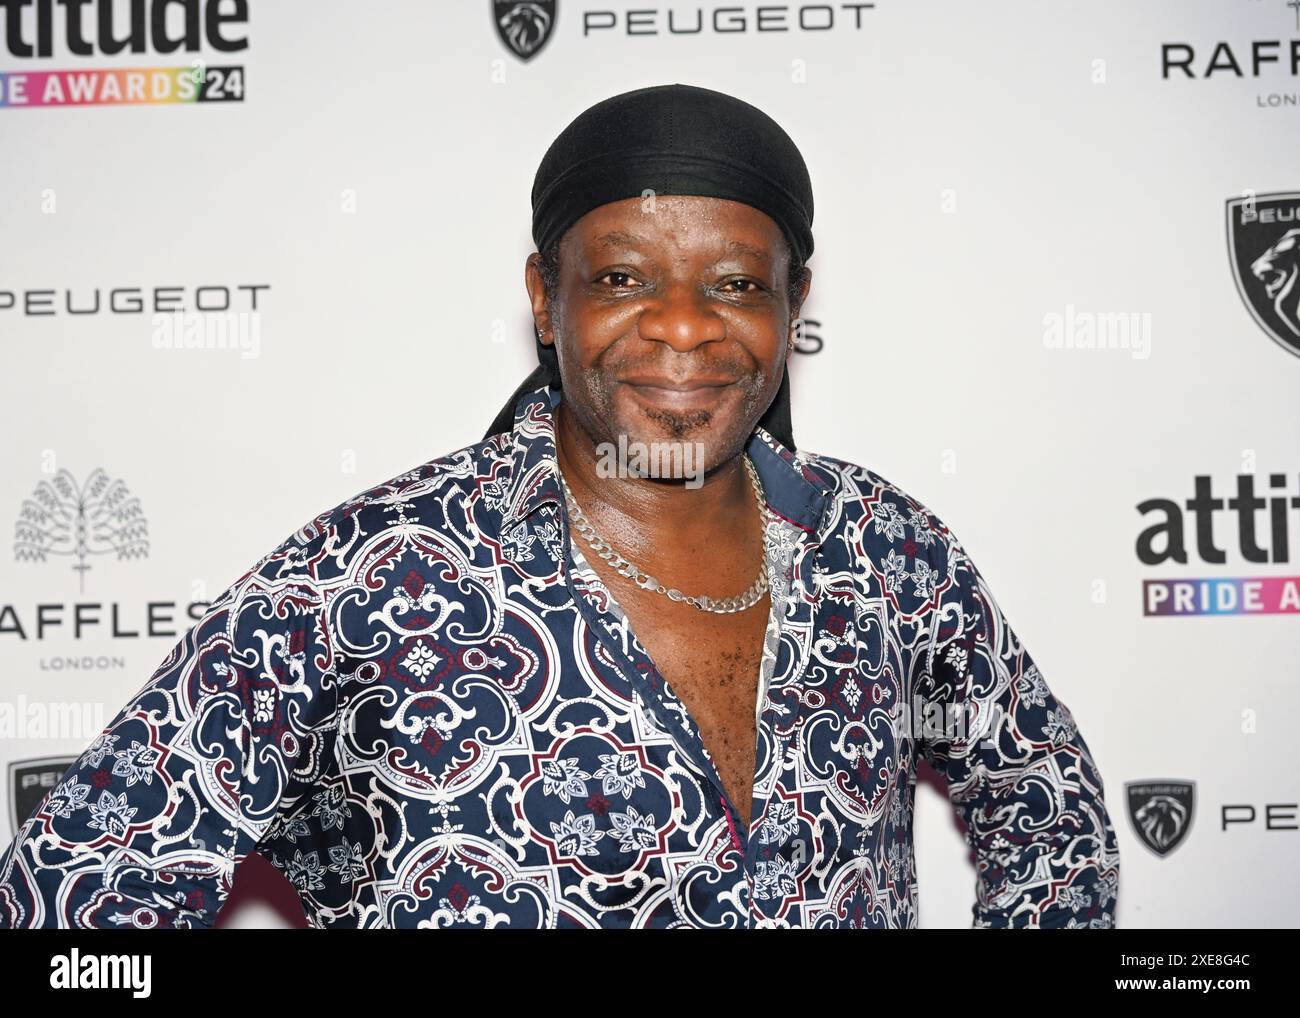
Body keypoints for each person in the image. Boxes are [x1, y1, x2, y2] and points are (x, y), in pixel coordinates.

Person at [0, 83, 1119, 929]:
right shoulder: (378, 575)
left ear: (793, 304)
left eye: (734, 282)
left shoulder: (884, 552)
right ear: (547, 298)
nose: (683, 327)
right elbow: (73, 892)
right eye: (623, 278)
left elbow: (1050, 813)